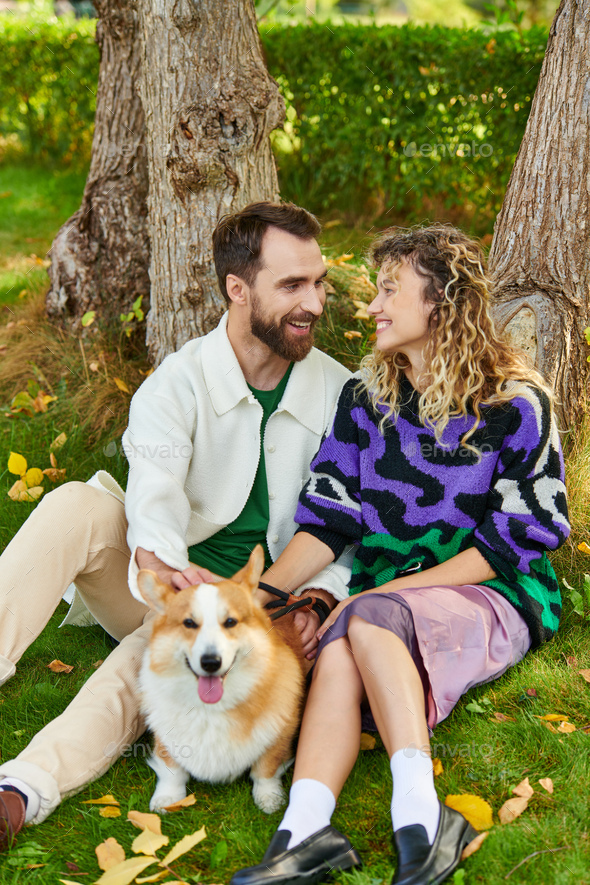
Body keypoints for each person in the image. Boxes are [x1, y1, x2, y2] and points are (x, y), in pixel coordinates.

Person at [0, 201, 354, 851]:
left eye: (319, 281)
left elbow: (347, 523)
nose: (316, 302)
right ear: (237, 289)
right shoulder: (177, 383)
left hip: (256, 612)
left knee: (148, 654)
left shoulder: (342, 393)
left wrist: (315, 593)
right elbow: (154, 493)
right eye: (293, 285)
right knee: (74, 503)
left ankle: (20, 789)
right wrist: (157, 562)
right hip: (158, 578)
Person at [231, 223, 570, 885]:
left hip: (495, 594)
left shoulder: (516, 404)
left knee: (365, 617)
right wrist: (250, 604)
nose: (372, 305)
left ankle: (421, 813)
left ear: (441, 302)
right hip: (379, 610)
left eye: (389, 289)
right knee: (340, 641)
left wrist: (376, 598)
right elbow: (328, 522)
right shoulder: (365, 401)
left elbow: (510, 544)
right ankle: (305, 833)